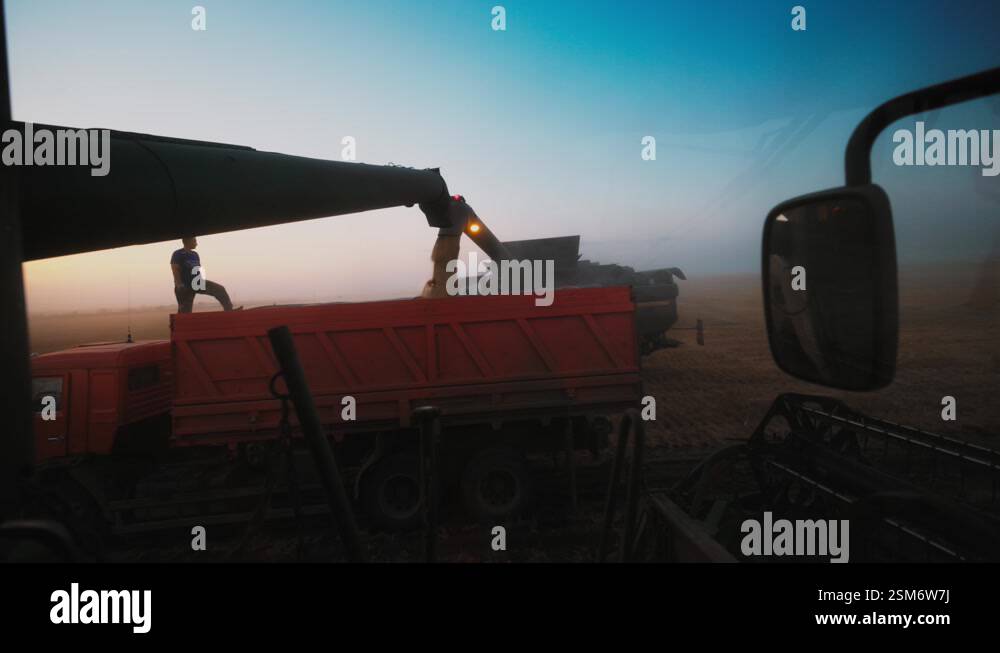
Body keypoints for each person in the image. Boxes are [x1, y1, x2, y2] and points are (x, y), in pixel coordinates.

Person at [170, 236, 238, 313]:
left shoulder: (195, 254)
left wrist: (201, 280)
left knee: (220, 289)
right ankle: (179, 323)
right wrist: (179, 284)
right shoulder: (178, 253)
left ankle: (229, 310)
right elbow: (175, 269)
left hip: (197, 283)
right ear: (188, 242)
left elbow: (198, 269)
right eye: (194, 241)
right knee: (185, 312)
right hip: (185, 286)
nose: (196, 243)